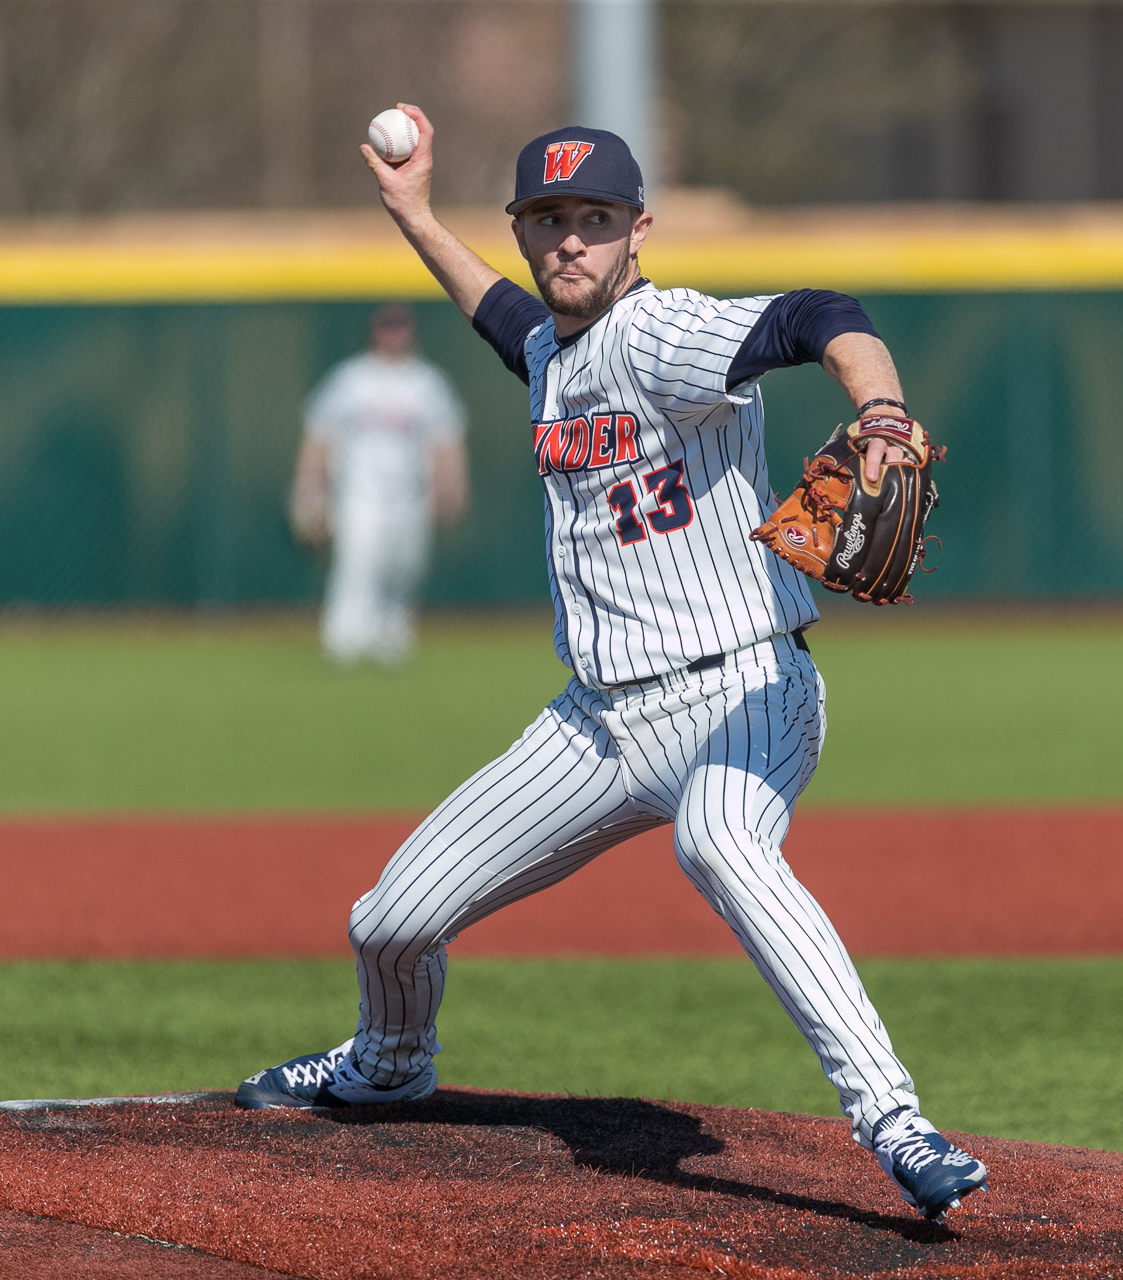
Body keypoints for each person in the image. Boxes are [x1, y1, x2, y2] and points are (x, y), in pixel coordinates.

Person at [238, 108, 989, 1223]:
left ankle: (895, 1120)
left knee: (720, 841)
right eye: (548, 221)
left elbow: (820, 313)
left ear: (639, 231)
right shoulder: (552, 348)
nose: (569, 242)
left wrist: (877, 401)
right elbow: (502, 319)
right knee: (388, 920)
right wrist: (414, 217)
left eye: (594, 219)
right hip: (597, 724)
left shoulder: (662, 333)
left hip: (745, 687)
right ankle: (392, 1060)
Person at [290, 303, 469, 665]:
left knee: (405, 566)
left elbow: (448, 439)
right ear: (374, 331)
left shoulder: (426, 383)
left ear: (409, 331)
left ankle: (392, 636)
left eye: (399, 326)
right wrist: (308, 485)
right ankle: (345, 639)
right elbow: (318, 434)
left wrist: (452, 485)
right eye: (387, 327)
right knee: (358, 563)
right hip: (358, 494)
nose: (393, 333)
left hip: (410, 496)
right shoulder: (351, 379)